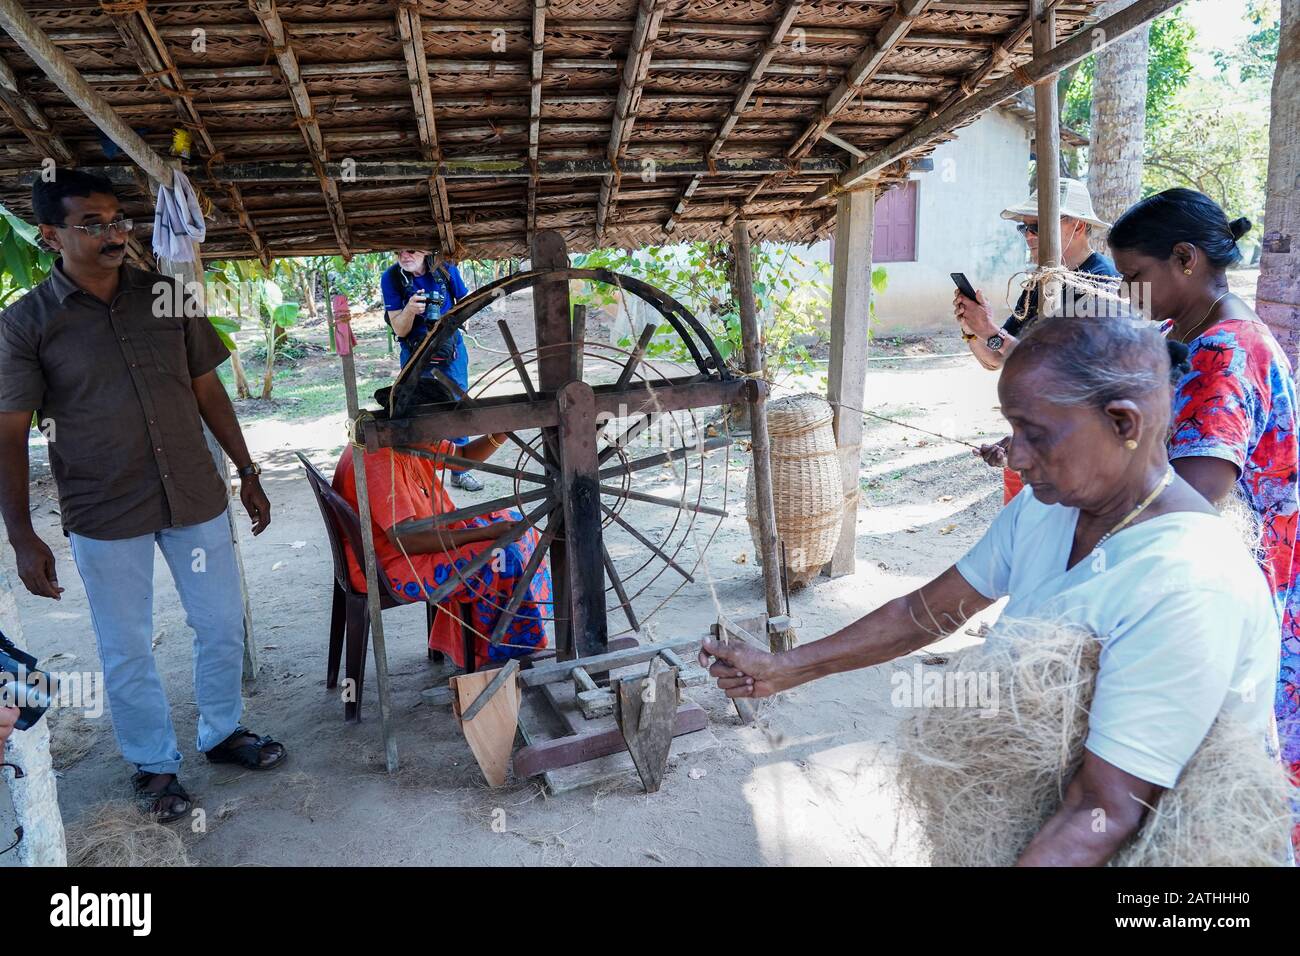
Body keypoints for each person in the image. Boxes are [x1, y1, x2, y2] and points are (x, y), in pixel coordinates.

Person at [700, 316, 1282, 866]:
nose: (1017, 457)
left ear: (1124, 424)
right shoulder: (1047, 510)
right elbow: (922, 612)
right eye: (1012, 430)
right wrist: (785, 668)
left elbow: (1104, 811)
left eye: (1035, 434)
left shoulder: (1186, 581)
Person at [0, 169, 285, 824]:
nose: (113, 233)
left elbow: (208, 390)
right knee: (126, 643)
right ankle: (155, 766)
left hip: (192, 490)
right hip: (105, 508)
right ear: (49, 236)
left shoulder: (167, 297)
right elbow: (9, 433)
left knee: (218, 624)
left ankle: (221, 733)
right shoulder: (26, 325)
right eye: (92, 223)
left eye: (118, 220)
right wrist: (21, 535)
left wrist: (247, 470)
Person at [1108, 187, 1300, 855]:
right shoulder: (1182, 335)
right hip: (1228, 578)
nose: (1129, 295)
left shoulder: (1226, 351)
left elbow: (1198, 493)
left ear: (1185, 259)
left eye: (1137, 278)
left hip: (1243, 587)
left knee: (1232, 781)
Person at [956, 179, 1122, 503]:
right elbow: (997, 359)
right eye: (1025, 228)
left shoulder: (1102, 285)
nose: (1029, 236)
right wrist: (973, 329)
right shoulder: (1042, 282)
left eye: (1037, 226)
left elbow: (1067, 373)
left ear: (1078, 226)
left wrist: (990, 331)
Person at [332, 434, 551, 670]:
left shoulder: (408, 436)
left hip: (426, 535)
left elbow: (463, 457)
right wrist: (484, 534)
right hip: (390, 563)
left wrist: (502, 430)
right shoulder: (377, 459)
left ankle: (503, 641)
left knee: (519, 527)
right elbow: (407, 541)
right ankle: (498, 656)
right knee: (504, 558)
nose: (440, 438)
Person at [380, 248, 484, 492]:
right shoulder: (391, 278)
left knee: (459, 407)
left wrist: (447, 323)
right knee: (418, 412)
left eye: (411, 251)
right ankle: (423, 476)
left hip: (451, 353)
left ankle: (460, 471)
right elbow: (400, 330)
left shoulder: (445, 268)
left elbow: (466, 304)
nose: (404, 257)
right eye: (399, 252)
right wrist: (410, 311)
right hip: (414, 354)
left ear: (425, 250)